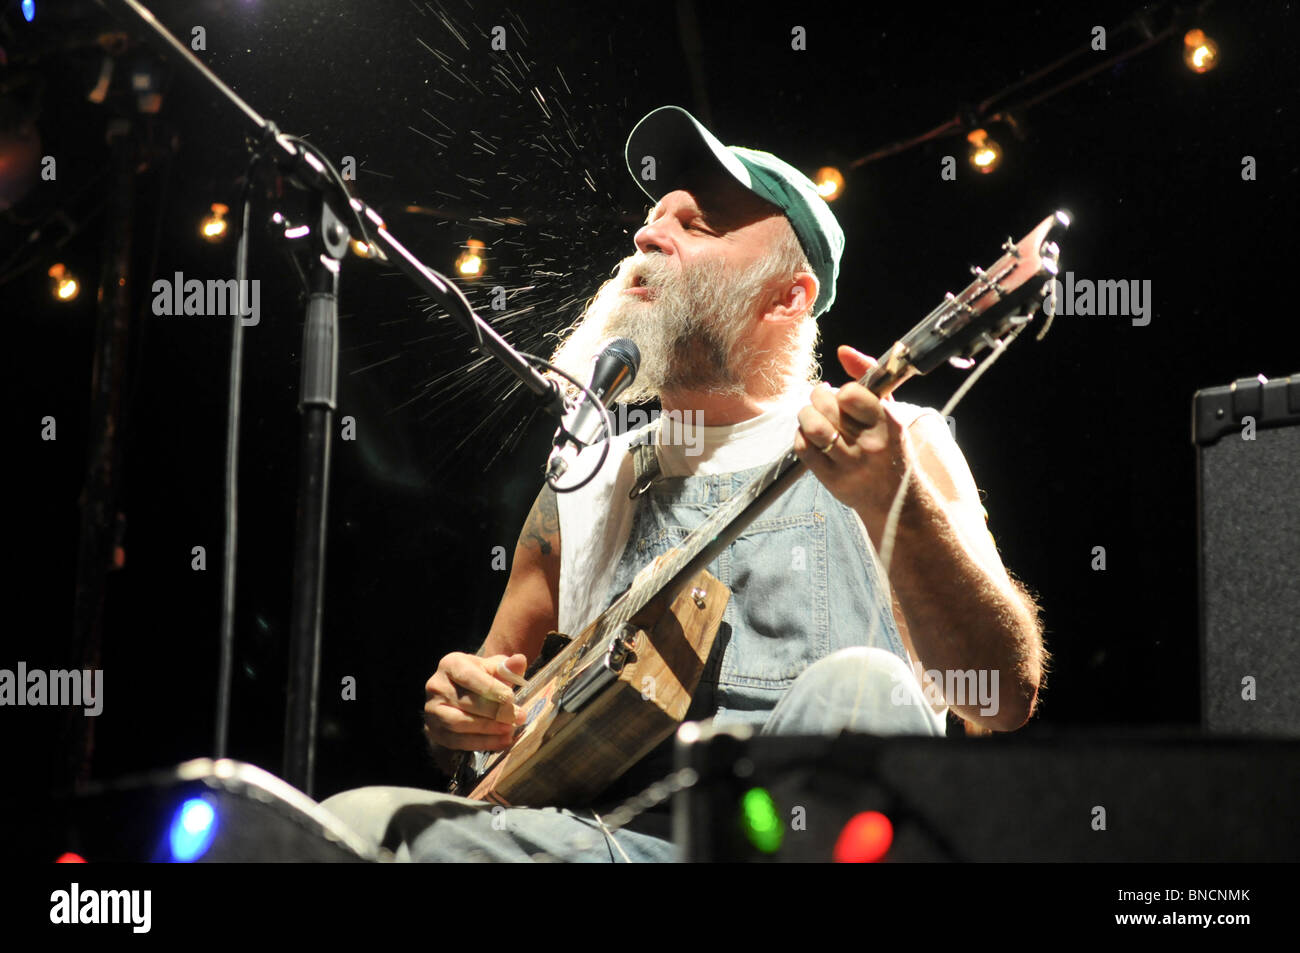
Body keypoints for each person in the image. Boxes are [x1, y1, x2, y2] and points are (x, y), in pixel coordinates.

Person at [320, 106, 1046, 862]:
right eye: (652, 217)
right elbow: (483, 742)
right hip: (604, 845)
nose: (646, 235)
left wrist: (896, 497)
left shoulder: (896, 446)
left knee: (862, 684)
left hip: (803, 834)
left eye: (698, 225)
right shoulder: (583, 482)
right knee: (359, 821)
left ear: (788, 296)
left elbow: (1001, 697)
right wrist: (462, 716)